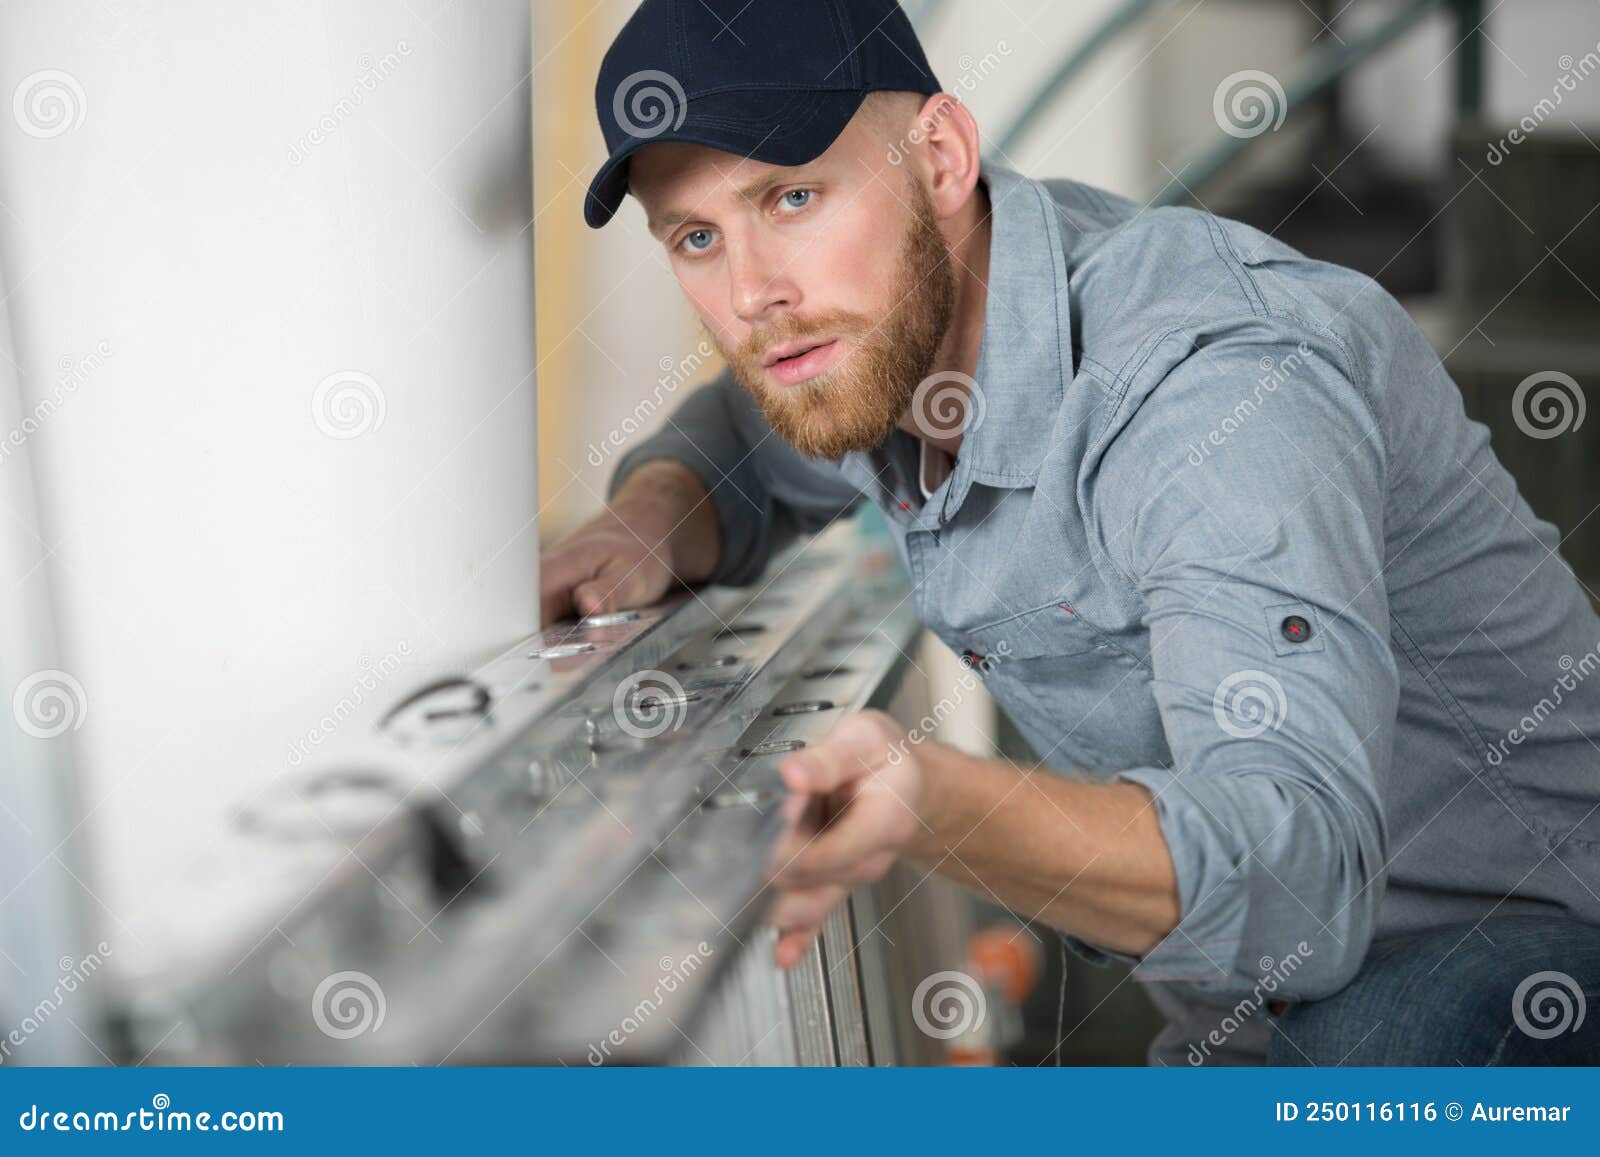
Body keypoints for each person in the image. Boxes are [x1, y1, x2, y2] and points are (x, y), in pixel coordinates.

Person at [541, 0, 1600, 1065]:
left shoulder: (1212, 387)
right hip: (1253, 1017)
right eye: (695, 236)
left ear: (943, 156)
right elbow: (744, 431)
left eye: (795, 196)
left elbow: (1299, 891)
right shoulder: (870, 336)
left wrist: (931, 800)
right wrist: (651, 514)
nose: (752, 294)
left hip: (1513, 977)